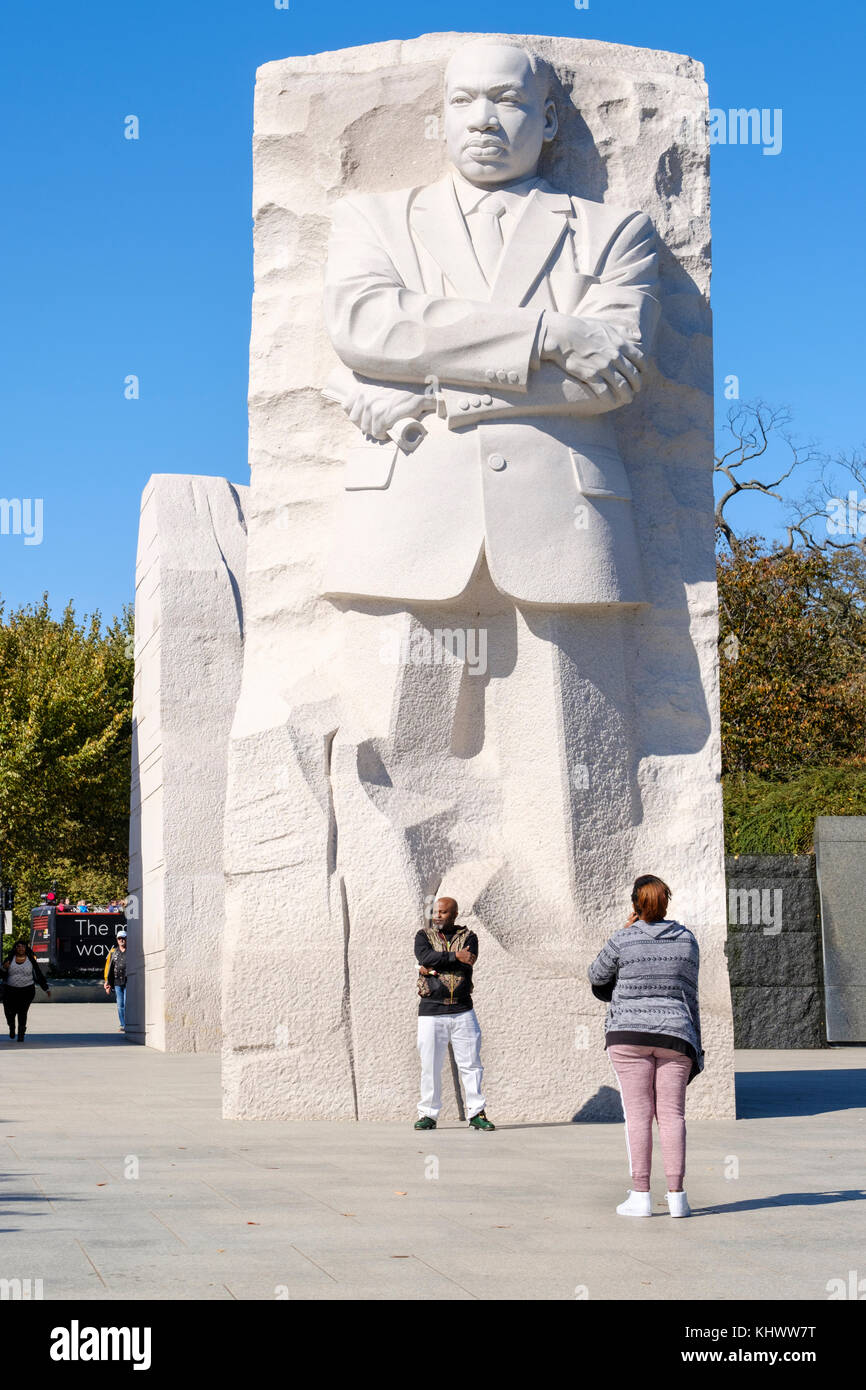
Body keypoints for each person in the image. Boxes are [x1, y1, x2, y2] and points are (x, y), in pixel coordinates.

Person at [588, 875, 703, 1218]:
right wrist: (698, 1045)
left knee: (638, 1115)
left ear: (636, 904)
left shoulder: (623, 939)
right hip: (676, 1034)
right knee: (672, 1116)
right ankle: (677, 1196)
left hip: (629, 1034)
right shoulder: (686, 940)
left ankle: (640, 1195)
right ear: (666, 902)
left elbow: (596, 975)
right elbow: (690, 995)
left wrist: (629, 930)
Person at [414, 897, 494, 1131]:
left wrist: (436, 966)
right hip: (431, 1011)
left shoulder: (469, 937)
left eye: (443, 912)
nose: (437, 915)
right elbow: (424, 957)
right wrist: (453, 957)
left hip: (462, 1010)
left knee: (471, 1064)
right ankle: (428, 1114)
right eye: (435, 912)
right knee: (430, 1064)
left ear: (455, 914)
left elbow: (467, 963)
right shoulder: (423, 936)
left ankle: (477, 1113)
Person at [2, 939, 51, 1041]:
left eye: (23, 947)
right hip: (10, 991)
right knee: (10, 1012)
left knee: (22, 1012)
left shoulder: (31, 959)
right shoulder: (10, 959)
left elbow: (38, 973)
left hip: (27, 990)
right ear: (15, 948)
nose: (21, 948)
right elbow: (2, 974)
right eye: (19, 946)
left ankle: (21, 1034)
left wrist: (45, 988)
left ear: (26, 948)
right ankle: (12, 1026)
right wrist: (4, 968)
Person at [103, 929, 129, 1031]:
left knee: (127, 1003)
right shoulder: (113, 952)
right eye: (119, 938)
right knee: (120, 1005)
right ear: (117, 940)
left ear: (127, 939)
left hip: (128, 982)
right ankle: (123, 1024)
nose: (121, 940)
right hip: (117, 983)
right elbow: (108, 967)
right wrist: (107, 982)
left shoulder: (131, 951)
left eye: (123, 938)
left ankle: (128, 1024)